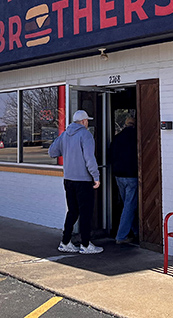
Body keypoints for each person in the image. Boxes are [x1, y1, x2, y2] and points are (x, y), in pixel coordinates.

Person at [48, 109, 103, 254]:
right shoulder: (86, 135)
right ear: (84, 121)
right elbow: (89, 159)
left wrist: (67, 150)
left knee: (72, 212)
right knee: (85, 213)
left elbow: (52, 152)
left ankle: (65, 242)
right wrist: (96, 177)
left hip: (68, 180)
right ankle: (85, 245)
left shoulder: (65, 134)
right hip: (83, 180)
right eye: (87, 121)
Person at [110, 116, 139, 244]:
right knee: (129, 205)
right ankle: (121, 236)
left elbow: (110, 155)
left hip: (118, 176)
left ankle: (137, 231)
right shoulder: (136, 137)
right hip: (132, 176)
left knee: (128, 205)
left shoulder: (117, 138)